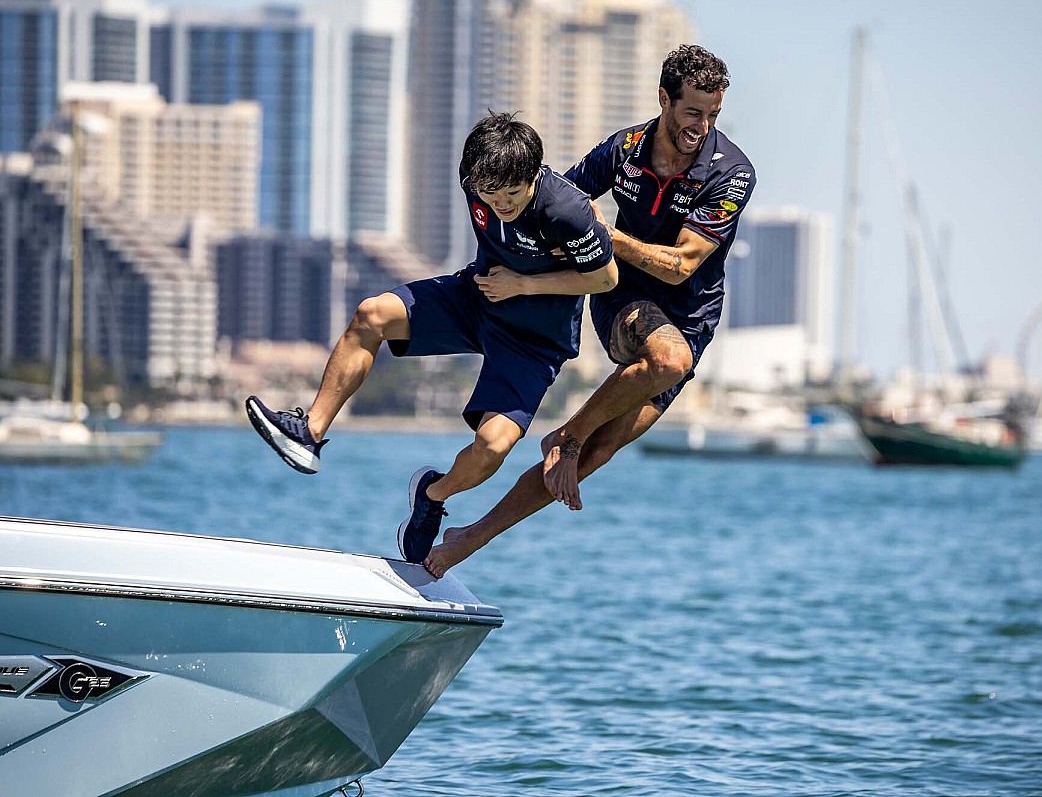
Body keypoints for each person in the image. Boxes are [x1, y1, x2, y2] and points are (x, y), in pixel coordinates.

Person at [423, 44, 756, 578]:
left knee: (598, 452)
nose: (703, 125)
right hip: (622, 296)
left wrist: (605, 234)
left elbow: (680, 266)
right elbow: (559, 203)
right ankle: (567, 434)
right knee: (665, 362)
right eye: (693, 111)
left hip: (691, 316)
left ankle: (467, 537)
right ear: (665, 99)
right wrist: (514, 271)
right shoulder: (625, 148)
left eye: (713, 113)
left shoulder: (731, 172)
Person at [246, 111, 617, 562]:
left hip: (534, 340)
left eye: (513, 195)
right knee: (372, 315)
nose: (501, 204)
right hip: (477, 297)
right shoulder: (476, 177)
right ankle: (309, 432)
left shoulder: (567, 211)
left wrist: (524, 284)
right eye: (490, 194)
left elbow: (605, 279)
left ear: (533, 176)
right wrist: (501, 282)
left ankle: (432, 496)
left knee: (493, 445)